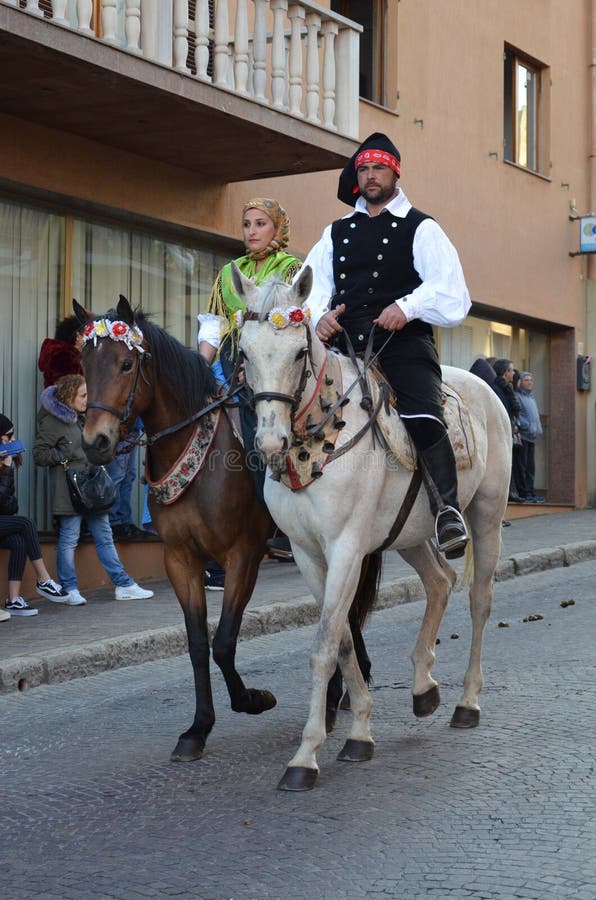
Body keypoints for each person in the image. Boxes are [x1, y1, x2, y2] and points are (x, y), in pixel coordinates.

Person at [301, 132, 471, 559]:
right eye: (363, 169)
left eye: (378, 168)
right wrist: (318, 316)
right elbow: (307, 288)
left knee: (422, 413)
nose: (370, 176)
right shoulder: (335, 231)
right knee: (294, 408)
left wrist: (408, 307)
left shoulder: (421, 227)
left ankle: (446, 510)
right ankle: (294, 514)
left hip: (401, 344)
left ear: (394, 172)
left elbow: (453, 294)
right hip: (343, 347)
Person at [198, 198, 303, 578]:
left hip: (273, 370)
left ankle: (289, 523)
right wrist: (198, 369)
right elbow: (215, 326)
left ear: (277, 228)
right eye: (246, 224)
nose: (252, 231)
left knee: (271, 438)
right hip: (233, 363)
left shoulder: (292, 269)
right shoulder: (229, 273)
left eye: (260, 223)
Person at [33, 375, 154, 605]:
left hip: (93, 488)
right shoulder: (52, 421)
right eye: (83, 395)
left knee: (105, 536)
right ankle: (69, 589)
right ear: (69, 396)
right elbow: (39, 454)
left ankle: (123, 584)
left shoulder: (84, 418)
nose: (87, 400)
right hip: (69, 489)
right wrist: (62, 455)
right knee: (69, 539)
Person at [0, 413, 68, 618]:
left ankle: (13, 600)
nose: (13, 440)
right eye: (8, 436)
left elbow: (9, 507)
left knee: (18, 540)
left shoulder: (4, 464)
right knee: (27, 522)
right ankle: (44, 579)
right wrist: (7, 470)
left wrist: (6, 469)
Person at [490, 358, 523, 503]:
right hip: (500, 431)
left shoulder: (508, 388)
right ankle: (503, 495)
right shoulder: (496, 388)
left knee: (509, 463)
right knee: (502, 465)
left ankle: (509, 492)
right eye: (511, 370)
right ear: (505, 372)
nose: (513, 374)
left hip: (508, 429)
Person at [515, 371, 544, 503]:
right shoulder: (518, 396)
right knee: (522, 467)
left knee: (531, 468)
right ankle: (524, 493)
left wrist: (537, 429)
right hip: (523, 437)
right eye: (526, 380)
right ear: (520, 382)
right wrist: (527, 427)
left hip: (532, 437)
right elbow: (519, 416)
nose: (529, 382)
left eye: (531, 380)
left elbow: (534, 416)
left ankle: (531, 492)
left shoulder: (531, 398)